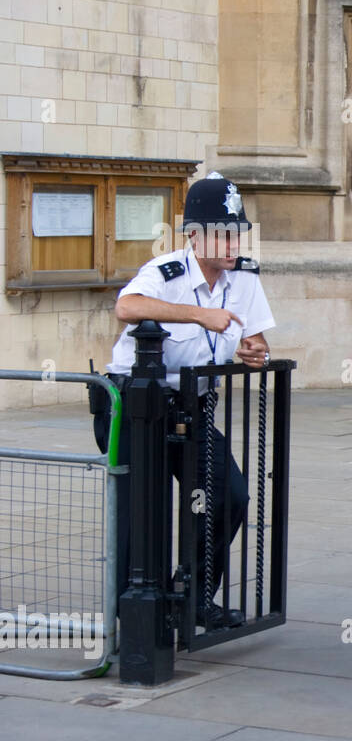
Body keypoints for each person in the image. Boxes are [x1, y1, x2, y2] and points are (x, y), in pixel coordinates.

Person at [97, 171, 274, 629]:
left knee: (227, 497)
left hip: (191, 408)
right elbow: (127, 307)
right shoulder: (166, 272)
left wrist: (255, 353)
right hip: (135, 407)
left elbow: (254, 341)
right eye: (223, 232)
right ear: (194, 236)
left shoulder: (244, 280)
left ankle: (193, 594)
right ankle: (137, 616)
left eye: (239, 231)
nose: (234, 242)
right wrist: (200, 314)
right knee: (143, 510)